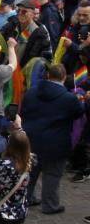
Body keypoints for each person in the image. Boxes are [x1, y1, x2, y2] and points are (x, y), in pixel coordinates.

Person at [21, 63, 83, 214]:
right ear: (64, 78)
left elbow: (23, 111)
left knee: (30, 171)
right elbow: (79, 113)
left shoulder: (31, 92)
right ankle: (50, 205)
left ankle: (25, 200)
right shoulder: (68, 98)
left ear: (48, 75)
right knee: (52, 174)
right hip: (56, 141)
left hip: (31, 138)